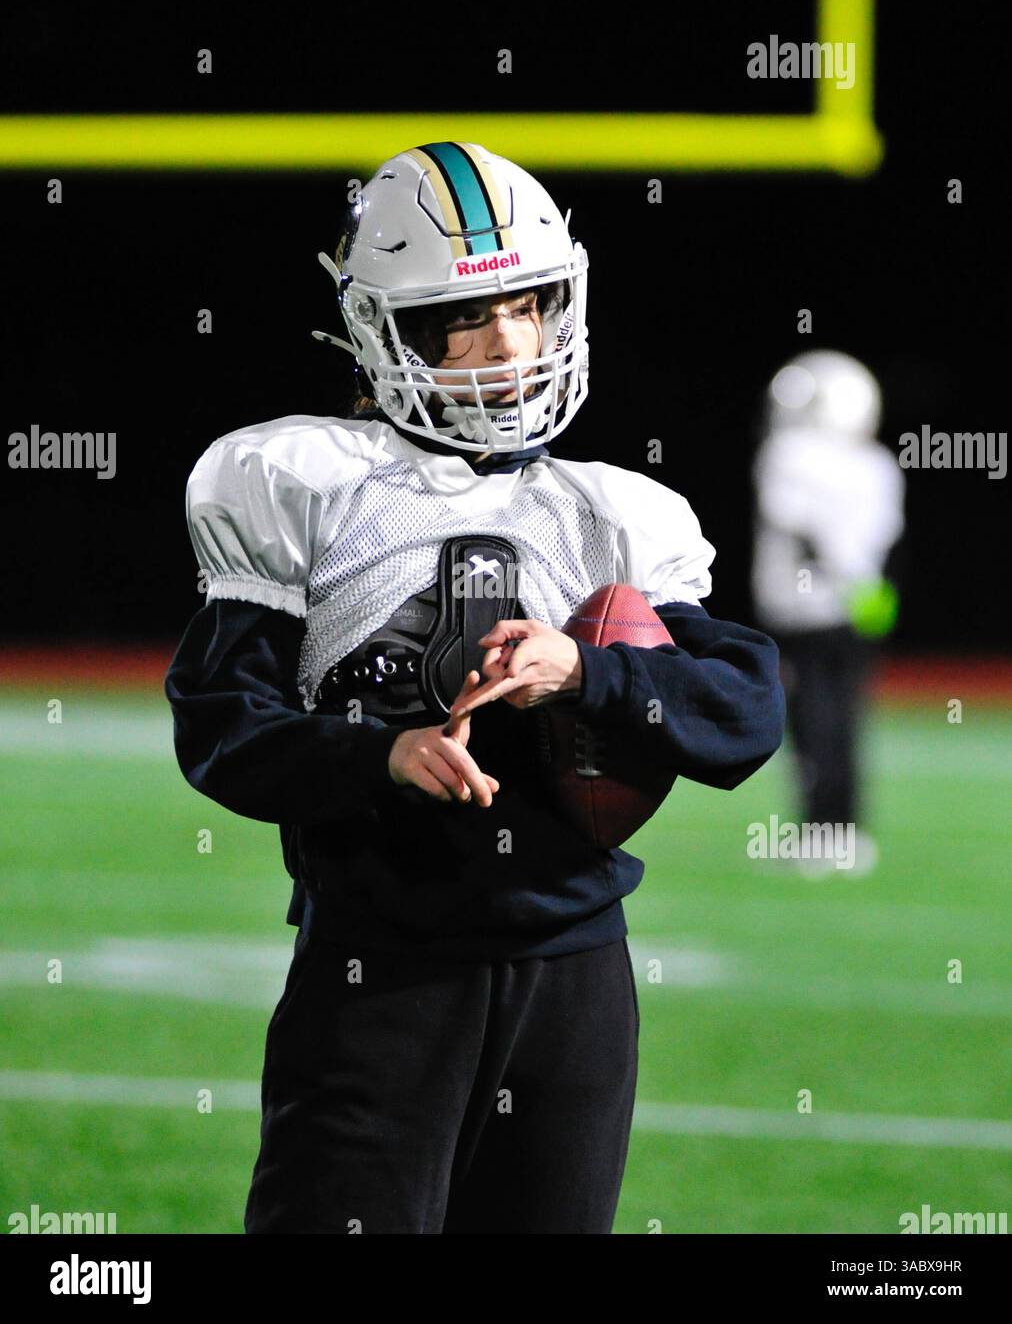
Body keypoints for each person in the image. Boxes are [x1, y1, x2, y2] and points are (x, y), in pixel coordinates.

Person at [165, 141, 785, 1234]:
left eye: (531, 303)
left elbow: (742, 716)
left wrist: (587, 671)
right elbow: (221, 728)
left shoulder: (614, 514)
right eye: (465, 316)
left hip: (577, 980)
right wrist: (378, 756)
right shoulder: (301, 480)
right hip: (379, 974)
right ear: (385, 332)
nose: (510, 341)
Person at [751, 349, 905, 877]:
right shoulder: (877, 464)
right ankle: (848, 832)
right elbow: (881, 538)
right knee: (846, 722)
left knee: (812, 724)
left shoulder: (788, 454)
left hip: (806, 611)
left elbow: (799, 525)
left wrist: (841, 572)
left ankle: (819, 833)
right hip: (860, 608)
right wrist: (861, 584)